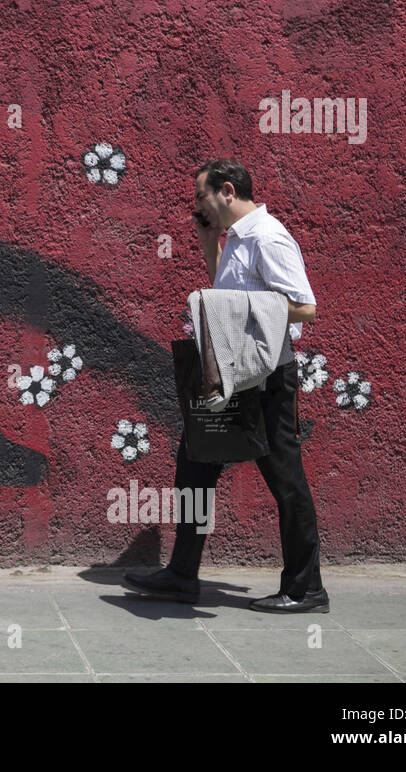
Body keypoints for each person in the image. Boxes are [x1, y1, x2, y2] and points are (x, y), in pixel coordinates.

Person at [125, 159, 328, 613]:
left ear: (228, 191)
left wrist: (240, 311)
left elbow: (305, 306)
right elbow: (227, 296)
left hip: (267, 379)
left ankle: (305, 588)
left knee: (286, 482)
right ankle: (182, 574)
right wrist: (207, 243)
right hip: (231, 377)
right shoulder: (234, 238)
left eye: (202, 197)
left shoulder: (268, 237)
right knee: (193, 469)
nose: (198, 206)